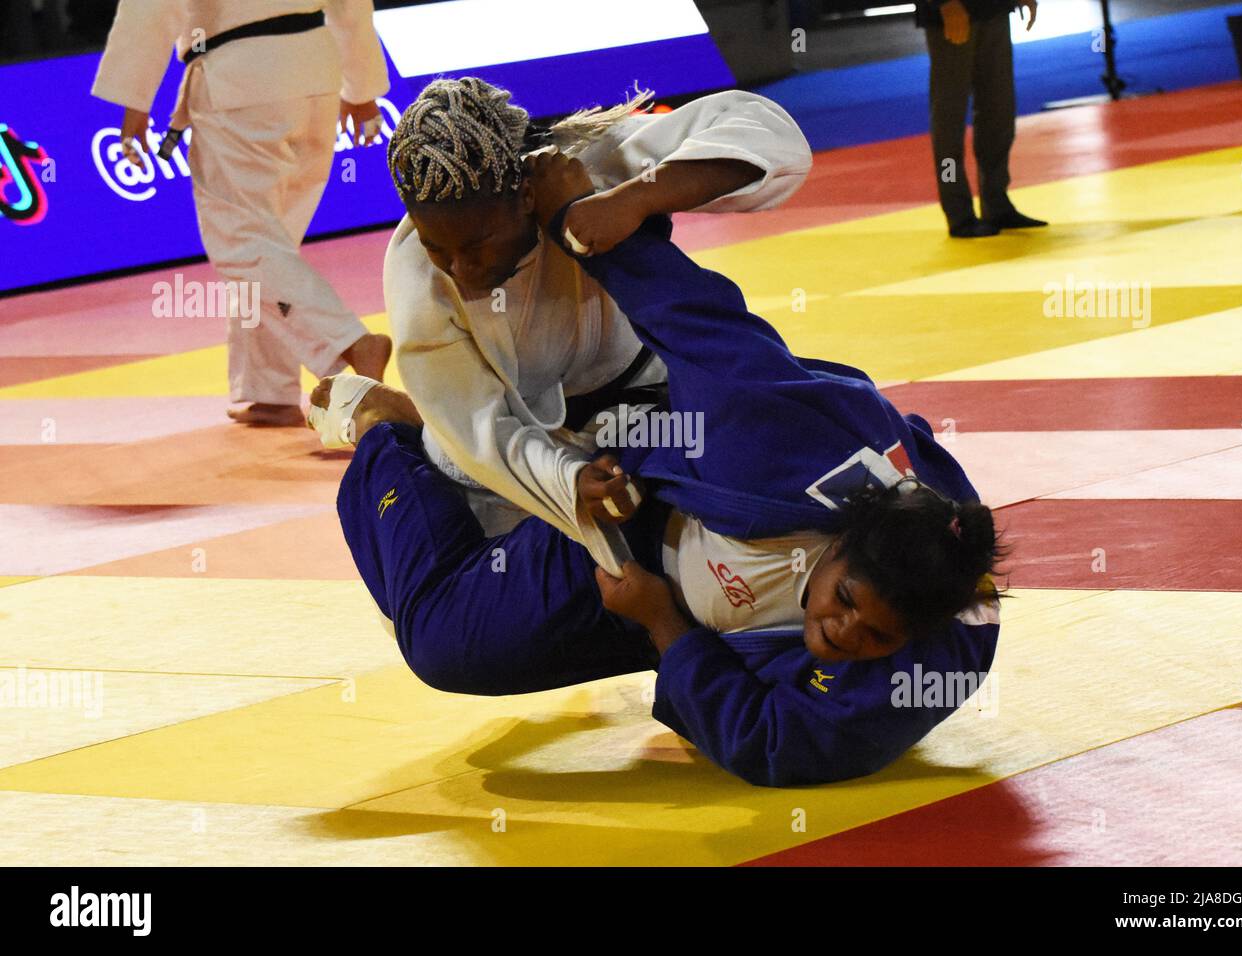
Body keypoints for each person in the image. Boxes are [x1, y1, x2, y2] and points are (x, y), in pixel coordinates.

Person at [312, 152, 1003, 787]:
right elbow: (697, 318)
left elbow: (778, 746)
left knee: (720, 693)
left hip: (667, 594)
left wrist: (664, 626)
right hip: (652, 487)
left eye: (879, 636)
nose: (849, 633)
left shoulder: (933, 657)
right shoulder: (771, 439)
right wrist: (584, 217)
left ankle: (513, 473)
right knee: (440, 641)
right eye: (847, 599)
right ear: (844, 537)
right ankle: (385, 428)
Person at [369, 77, 812, 570]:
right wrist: (569, 481)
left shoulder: (587, 167)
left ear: (525, 196)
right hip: (516, 442)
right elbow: (475, 426)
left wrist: (633, 199)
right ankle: (382, 414)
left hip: (648, 403)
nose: (460, 267)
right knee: (497, 596)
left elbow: (771, 135)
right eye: (438, 247)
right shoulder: (414, 269)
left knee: (755, 498)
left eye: (477, 244)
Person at [91, 1, 394, 426]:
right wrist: (362, 90)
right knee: (272, 243)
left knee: (243, 242)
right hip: (314, 69)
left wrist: (135, 101)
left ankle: (350, 342)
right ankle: (266, 388)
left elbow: (153, 7)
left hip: (241, 83)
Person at [916, 0, 1047, 238]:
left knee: (999, 112)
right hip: (951, 12)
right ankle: (958, 212)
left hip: (994, 9)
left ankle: (996, 202)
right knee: (949, 120)